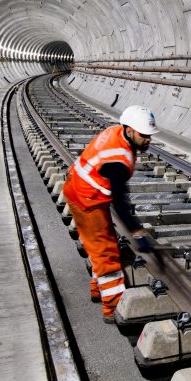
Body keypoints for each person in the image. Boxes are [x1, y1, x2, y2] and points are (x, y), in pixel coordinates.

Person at [63, 105, 159, 324]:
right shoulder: (119, 160)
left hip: (82, 189)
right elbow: (120, 201)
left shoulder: (117, 133)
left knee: (101, 246)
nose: (148, 140)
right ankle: (113, 308)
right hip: (87, 199)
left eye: (149, 135)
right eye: (144, 135)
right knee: (106, 255)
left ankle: (97, 291)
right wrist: (137, 231)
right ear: (130, 130)